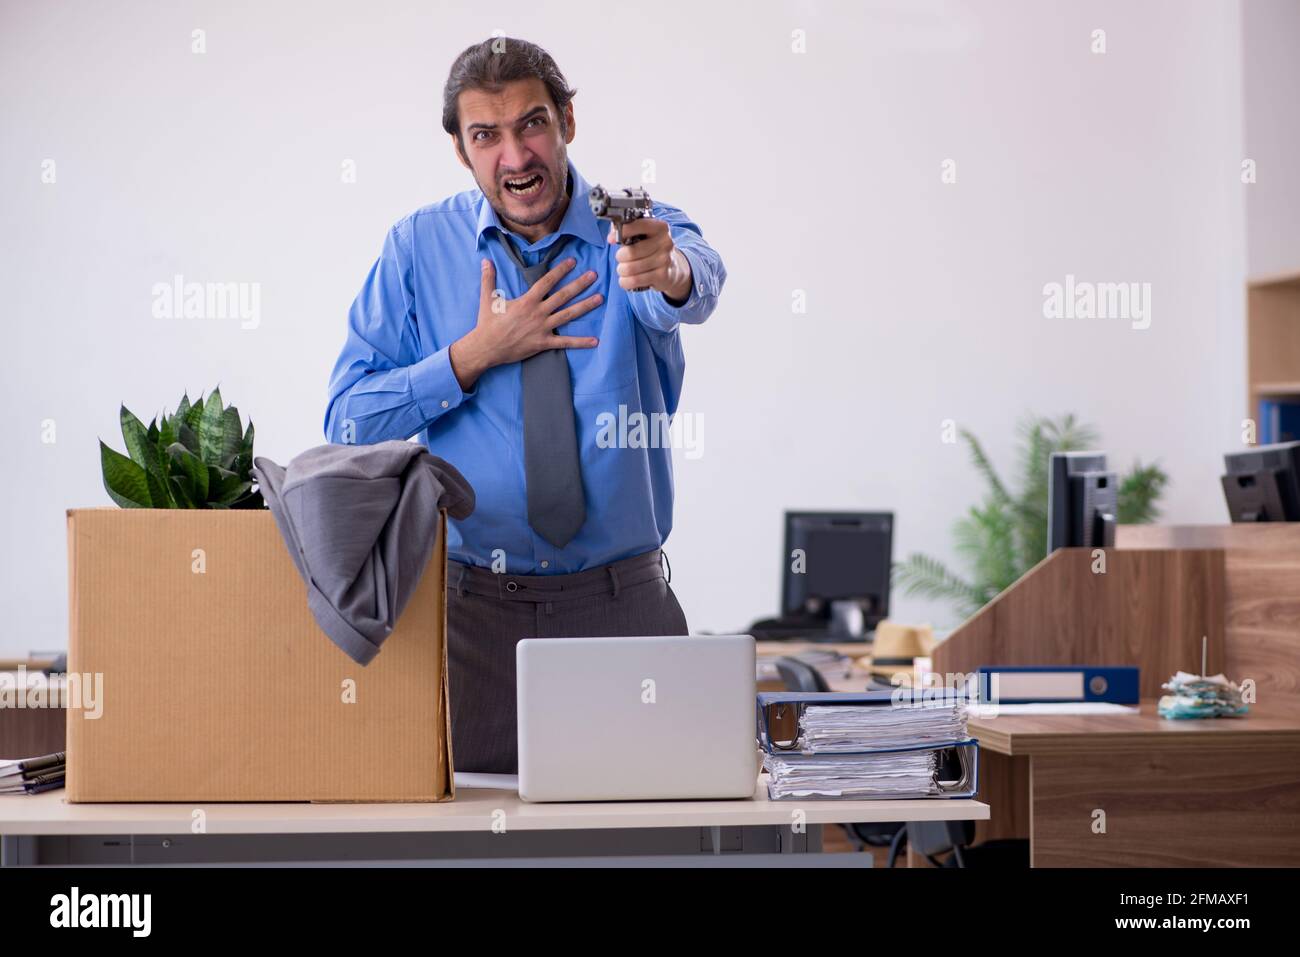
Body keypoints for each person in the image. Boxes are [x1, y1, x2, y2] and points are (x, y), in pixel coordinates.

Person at [324, 36, 726, 772]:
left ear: (568, 120)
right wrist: (473, 355)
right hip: (469, 618)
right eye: (487, 135)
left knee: (645, 840)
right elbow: (347, 420)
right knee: (466, 848)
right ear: (461, 150)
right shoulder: (416, 251)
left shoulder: (632, 230)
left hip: (622, 614)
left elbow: (694, 278)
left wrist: (660, 268)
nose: (515, 156)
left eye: (532, 124)